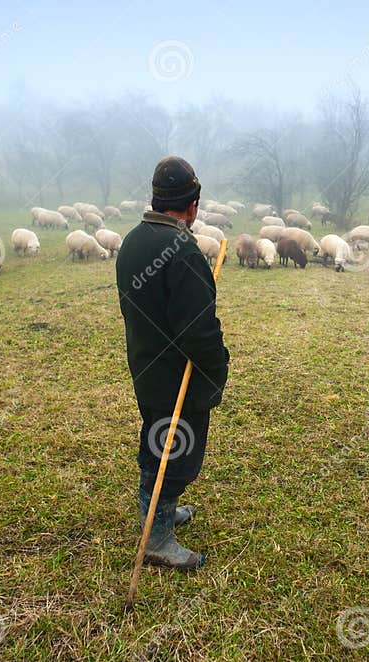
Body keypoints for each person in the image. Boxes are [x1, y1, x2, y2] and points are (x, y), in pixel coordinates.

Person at [115, 156, 229, 571]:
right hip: (178, 377)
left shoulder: (132, 240)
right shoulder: (182, 251)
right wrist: (218, 369)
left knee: (158, 440)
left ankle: (158, 515)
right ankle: (158, 537)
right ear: (193, 204)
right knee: (175, 455)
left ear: (155, 198)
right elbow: (199, 333)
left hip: (147, 370)